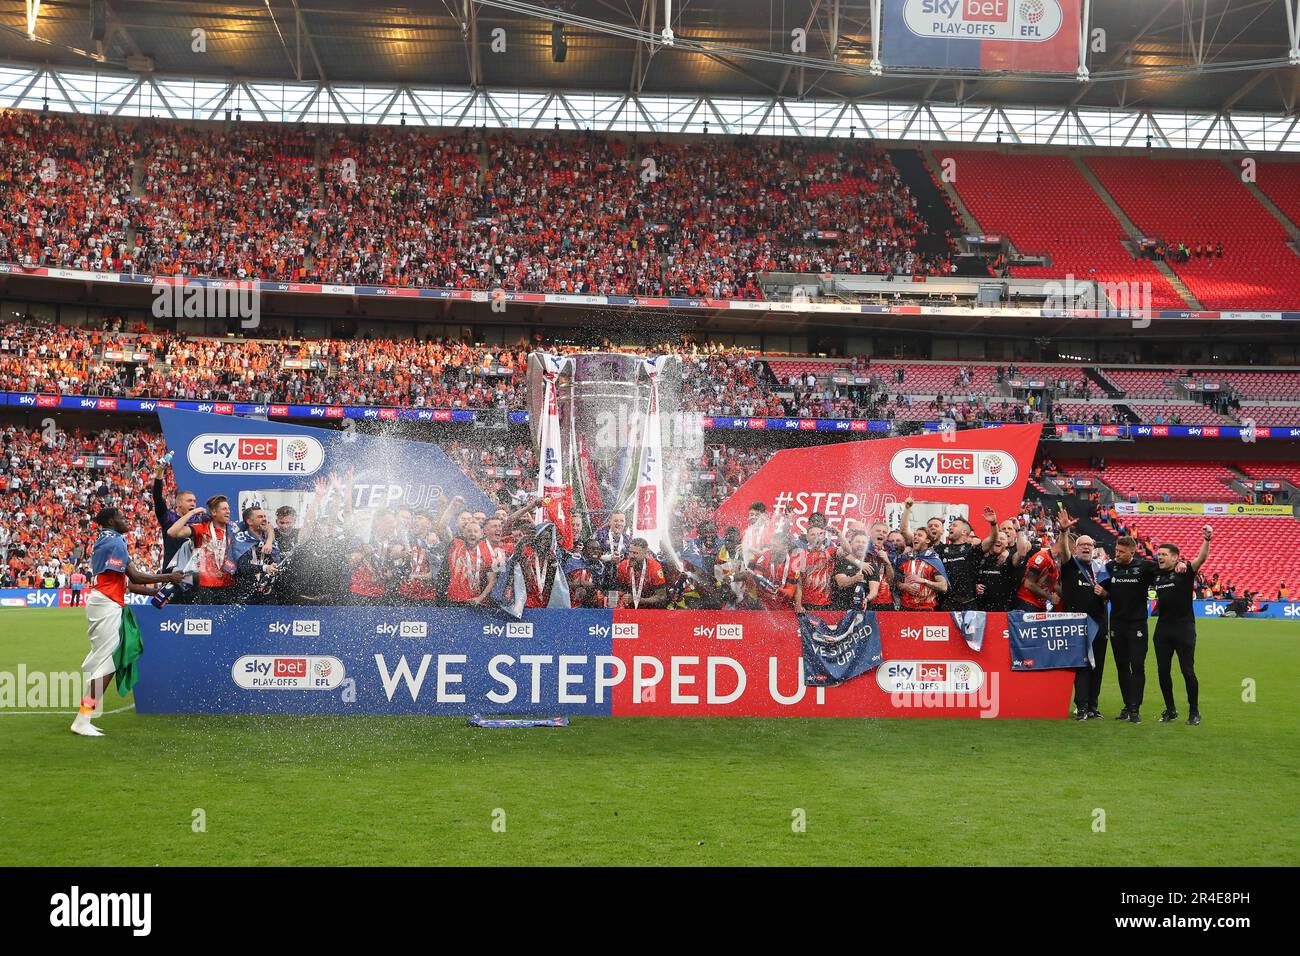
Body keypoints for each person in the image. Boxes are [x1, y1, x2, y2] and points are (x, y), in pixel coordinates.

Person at [72, 507, 182, 737]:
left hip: (105, 601)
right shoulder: (116, 542)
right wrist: (169, 577)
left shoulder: (106, 539)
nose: (126, 519)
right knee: (108, 663)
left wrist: (157, 592)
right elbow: (135, 577)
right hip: (107, 603)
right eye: (121, 517)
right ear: (111, 520)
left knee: (104, 663)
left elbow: (129, 585)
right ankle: (82, 720)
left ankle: (84, 716)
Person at [1153, 527, 1211, 725]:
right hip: (1162, 630)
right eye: (1158, 553)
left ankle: (1194, 712)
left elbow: (1201, 559)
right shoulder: (1156, 574)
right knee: (1162, 671)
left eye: (1164, 554)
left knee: (1187, 671)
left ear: (1175, 558)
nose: (1159, 557)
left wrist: (1207, 539)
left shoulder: (1185, 572)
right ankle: (1170, 710)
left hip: (1184, 629)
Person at [1056, 514, 1110, 720]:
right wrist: (1064, 531)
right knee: (1082, 665)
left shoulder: (1101, 569)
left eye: (1090, 545)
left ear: (1094, 548)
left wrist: (1104, 593)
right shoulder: (1071, 566)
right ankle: (1081, 705)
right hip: (1077, 626)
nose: (1086, 548)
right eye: (1082, 545)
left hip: (1100, 623)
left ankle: (1093, 706)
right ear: (1076, 548)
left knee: (1099, 666)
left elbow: (1108, 595)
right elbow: (1063, 551)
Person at [1100, 535, 1158, 723]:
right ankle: (1127, 705)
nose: (1117, 554)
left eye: (1121, 552)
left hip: (1137, 624)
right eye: (1116, 550)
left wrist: (1180, 565)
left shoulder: (1145, 567)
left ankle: (1135, 708)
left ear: (1132, 552)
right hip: (1116, 623)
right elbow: (1104, 591)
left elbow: (1165, 570)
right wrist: (1103, 593)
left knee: (1137, 665)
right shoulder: (1110, 567)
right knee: (1122, 666)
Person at [167, 495, 238, 603]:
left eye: (228, 509)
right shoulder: (201, 528)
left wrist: (269, 541)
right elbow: (172, 532)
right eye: (224, 509)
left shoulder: (234, 529)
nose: (228, 512)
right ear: (214, 512)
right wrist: (192, 513)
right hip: (205, 587)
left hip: (229, 586)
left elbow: (267, 527)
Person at [152, 459, 196, 570]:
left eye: (194, 501)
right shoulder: (169, 518)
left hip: (194, 572)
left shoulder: (199, 520)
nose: (193, 503)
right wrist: (159, 474)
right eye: (189, 501)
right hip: (171, 573)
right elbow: (157, 498)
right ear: (179, 504)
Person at [894, 527, 948, 611]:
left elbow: (943, 587)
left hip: (926, 609)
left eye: (920, 535)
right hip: (905, 608)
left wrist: (923, 581)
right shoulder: (904, 558)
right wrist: (903, 586)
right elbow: (894, 581)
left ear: (927, 540)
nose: (915, 537)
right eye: (915, 535)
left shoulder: (933, 560)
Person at [830, 528, 880, 612]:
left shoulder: (871, 565)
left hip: (863, 610)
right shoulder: (842, 561)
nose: (861, 544)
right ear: (851, 544)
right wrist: (854, 579)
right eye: (858, 541)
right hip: (841, 609)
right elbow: (841, 582)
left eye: (864, 542)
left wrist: (867, 599)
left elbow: (874, 591)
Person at [614, 537, 667, 609]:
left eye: (635, 553)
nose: (631, 556)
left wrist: (639, 600)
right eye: (630, 552)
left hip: (651, 609)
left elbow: (661, 596)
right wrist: (622, 597)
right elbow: (619, 590)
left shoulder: (655, 567)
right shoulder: (623, 566)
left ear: (645, 553)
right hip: (630, 608)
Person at [793, 523, 836, 612]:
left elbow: (848, 551)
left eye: (819, 534)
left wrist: (839, 534)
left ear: (824, 536)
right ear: (807, 538)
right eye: (812, 534)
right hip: (807, 604)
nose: (816, 536)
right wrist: (798, 604)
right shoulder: (802, 555)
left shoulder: (830, 552)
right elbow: (799, 582)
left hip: (826, 604)